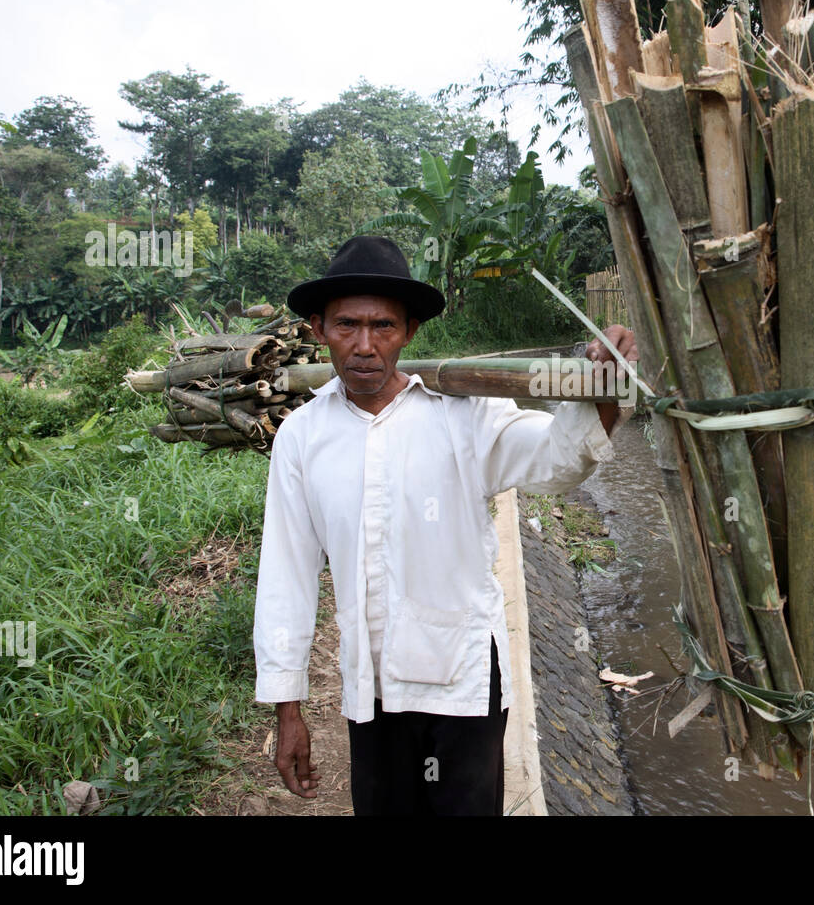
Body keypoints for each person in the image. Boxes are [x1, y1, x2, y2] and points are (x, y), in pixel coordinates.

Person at [252, 235, 637, 815]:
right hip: (372, 690)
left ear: (408, 331)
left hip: (462, 682)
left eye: (382, 326)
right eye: (346, 326)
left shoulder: (467, 414)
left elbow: (555, 460)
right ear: (316, 329)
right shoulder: (303, 438)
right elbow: (286, 578)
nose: (364, 346)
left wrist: (604, 385)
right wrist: (288, 710)